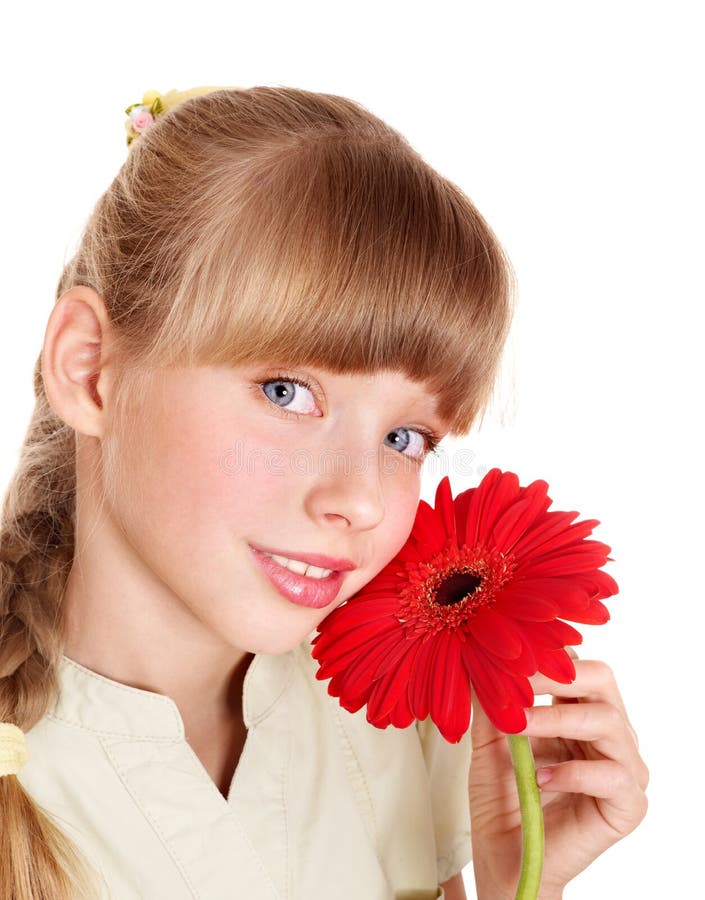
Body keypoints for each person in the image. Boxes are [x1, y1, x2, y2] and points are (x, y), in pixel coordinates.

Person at [0, 86, 648, 900]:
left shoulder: (392, 713)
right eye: (286, 392)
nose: (364, 501)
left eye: (405, 439)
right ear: (90, 367)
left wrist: (525, 881)